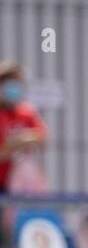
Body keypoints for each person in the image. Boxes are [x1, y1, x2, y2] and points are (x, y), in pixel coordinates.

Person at [0, 60, 47, 193]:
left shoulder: (27, 112)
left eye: (17, 83)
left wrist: (17, 142)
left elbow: (42, 139)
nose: (14, 88)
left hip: (18, 185)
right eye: (10, 83)